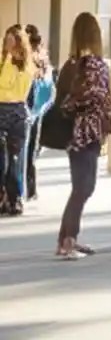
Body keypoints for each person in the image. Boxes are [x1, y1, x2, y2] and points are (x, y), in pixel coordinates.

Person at [56, 13, 111, 259]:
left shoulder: (71, 65)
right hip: (88, 133)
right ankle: (69, 240)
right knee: (84, 187)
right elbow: (98, 96)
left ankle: (65, 239)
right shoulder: (95, 64)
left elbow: (64, 101)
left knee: (80, 187)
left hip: (73, 134)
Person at [0, 25, 35, 216]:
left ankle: (15, 198)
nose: (7, 44)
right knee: (2, 159)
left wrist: (8, 59)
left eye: (12, 41)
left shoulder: (25, 65)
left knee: (14, 159)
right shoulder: (3, 61)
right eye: (6, 41)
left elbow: (5, 83)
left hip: (17, 112)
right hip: (2, 109)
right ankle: (5, 196)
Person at [22, 24, 51, 203]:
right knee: (31, 150)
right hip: (36, 110)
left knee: (27, 150)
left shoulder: (33, 60)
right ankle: (30, 189)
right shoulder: (41, 59)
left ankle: (27, 189)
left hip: (29, 109)